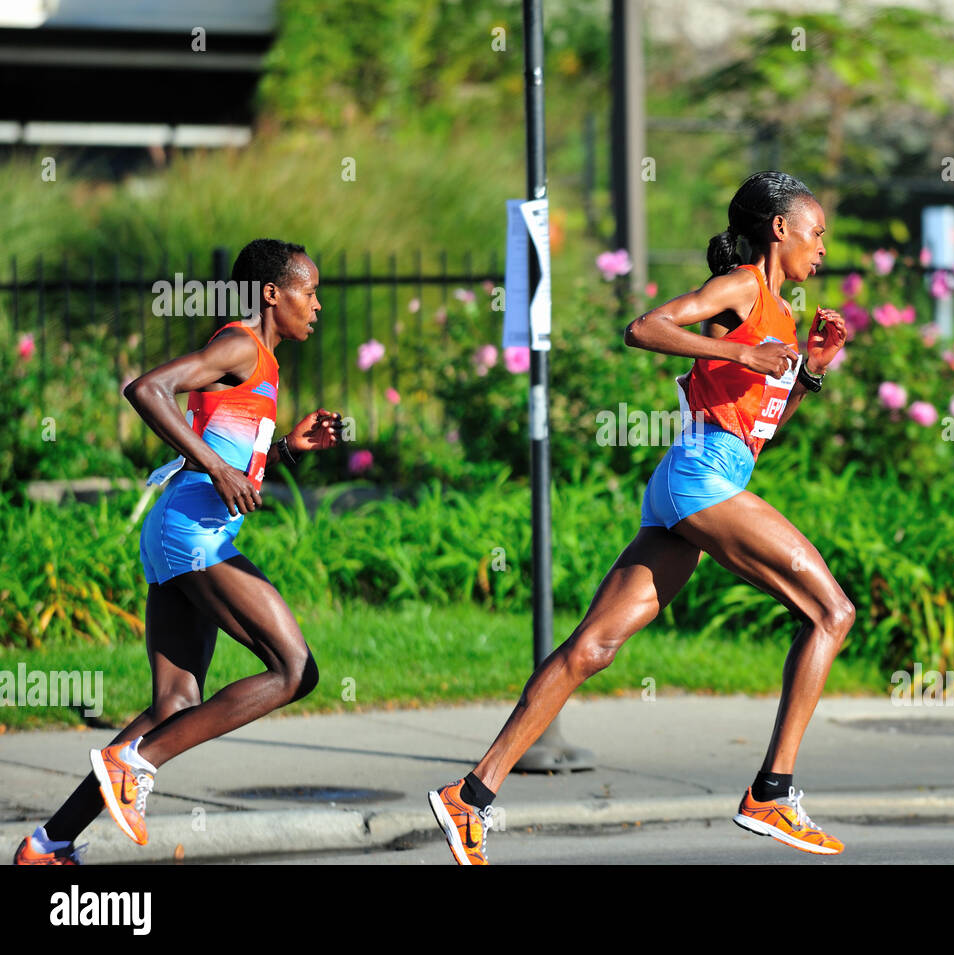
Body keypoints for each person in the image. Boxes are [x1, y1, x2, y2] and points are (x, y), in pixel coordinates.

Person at [429, 170, 851, 865]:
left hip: (696, 479)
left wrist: (809, 371)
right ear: (781, 229)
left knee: (593, 648)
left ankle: (469, 795)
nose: (823, 247)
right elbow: (645, 326)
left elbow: (760, 433)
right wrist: (743, 349)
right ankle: (772, 790)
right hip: (698, 478)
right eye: (817, 231)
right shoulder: (743, 287)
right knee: (831, 612)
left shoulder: (776, 309)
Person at [14, 238, 342, 864]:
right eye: (309, 291)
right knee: (295, 670)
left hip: (181, 531)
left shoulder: (261, 361)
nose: (318, 305)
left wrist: (288, 451)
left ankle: (48, 843)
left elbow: (233, 452)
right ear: (273, 294)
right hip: (193, 534)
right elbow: (146, 389)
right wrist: (218, 469)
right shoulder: (241, 344)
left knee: (175, 703)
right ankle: (134, 764)